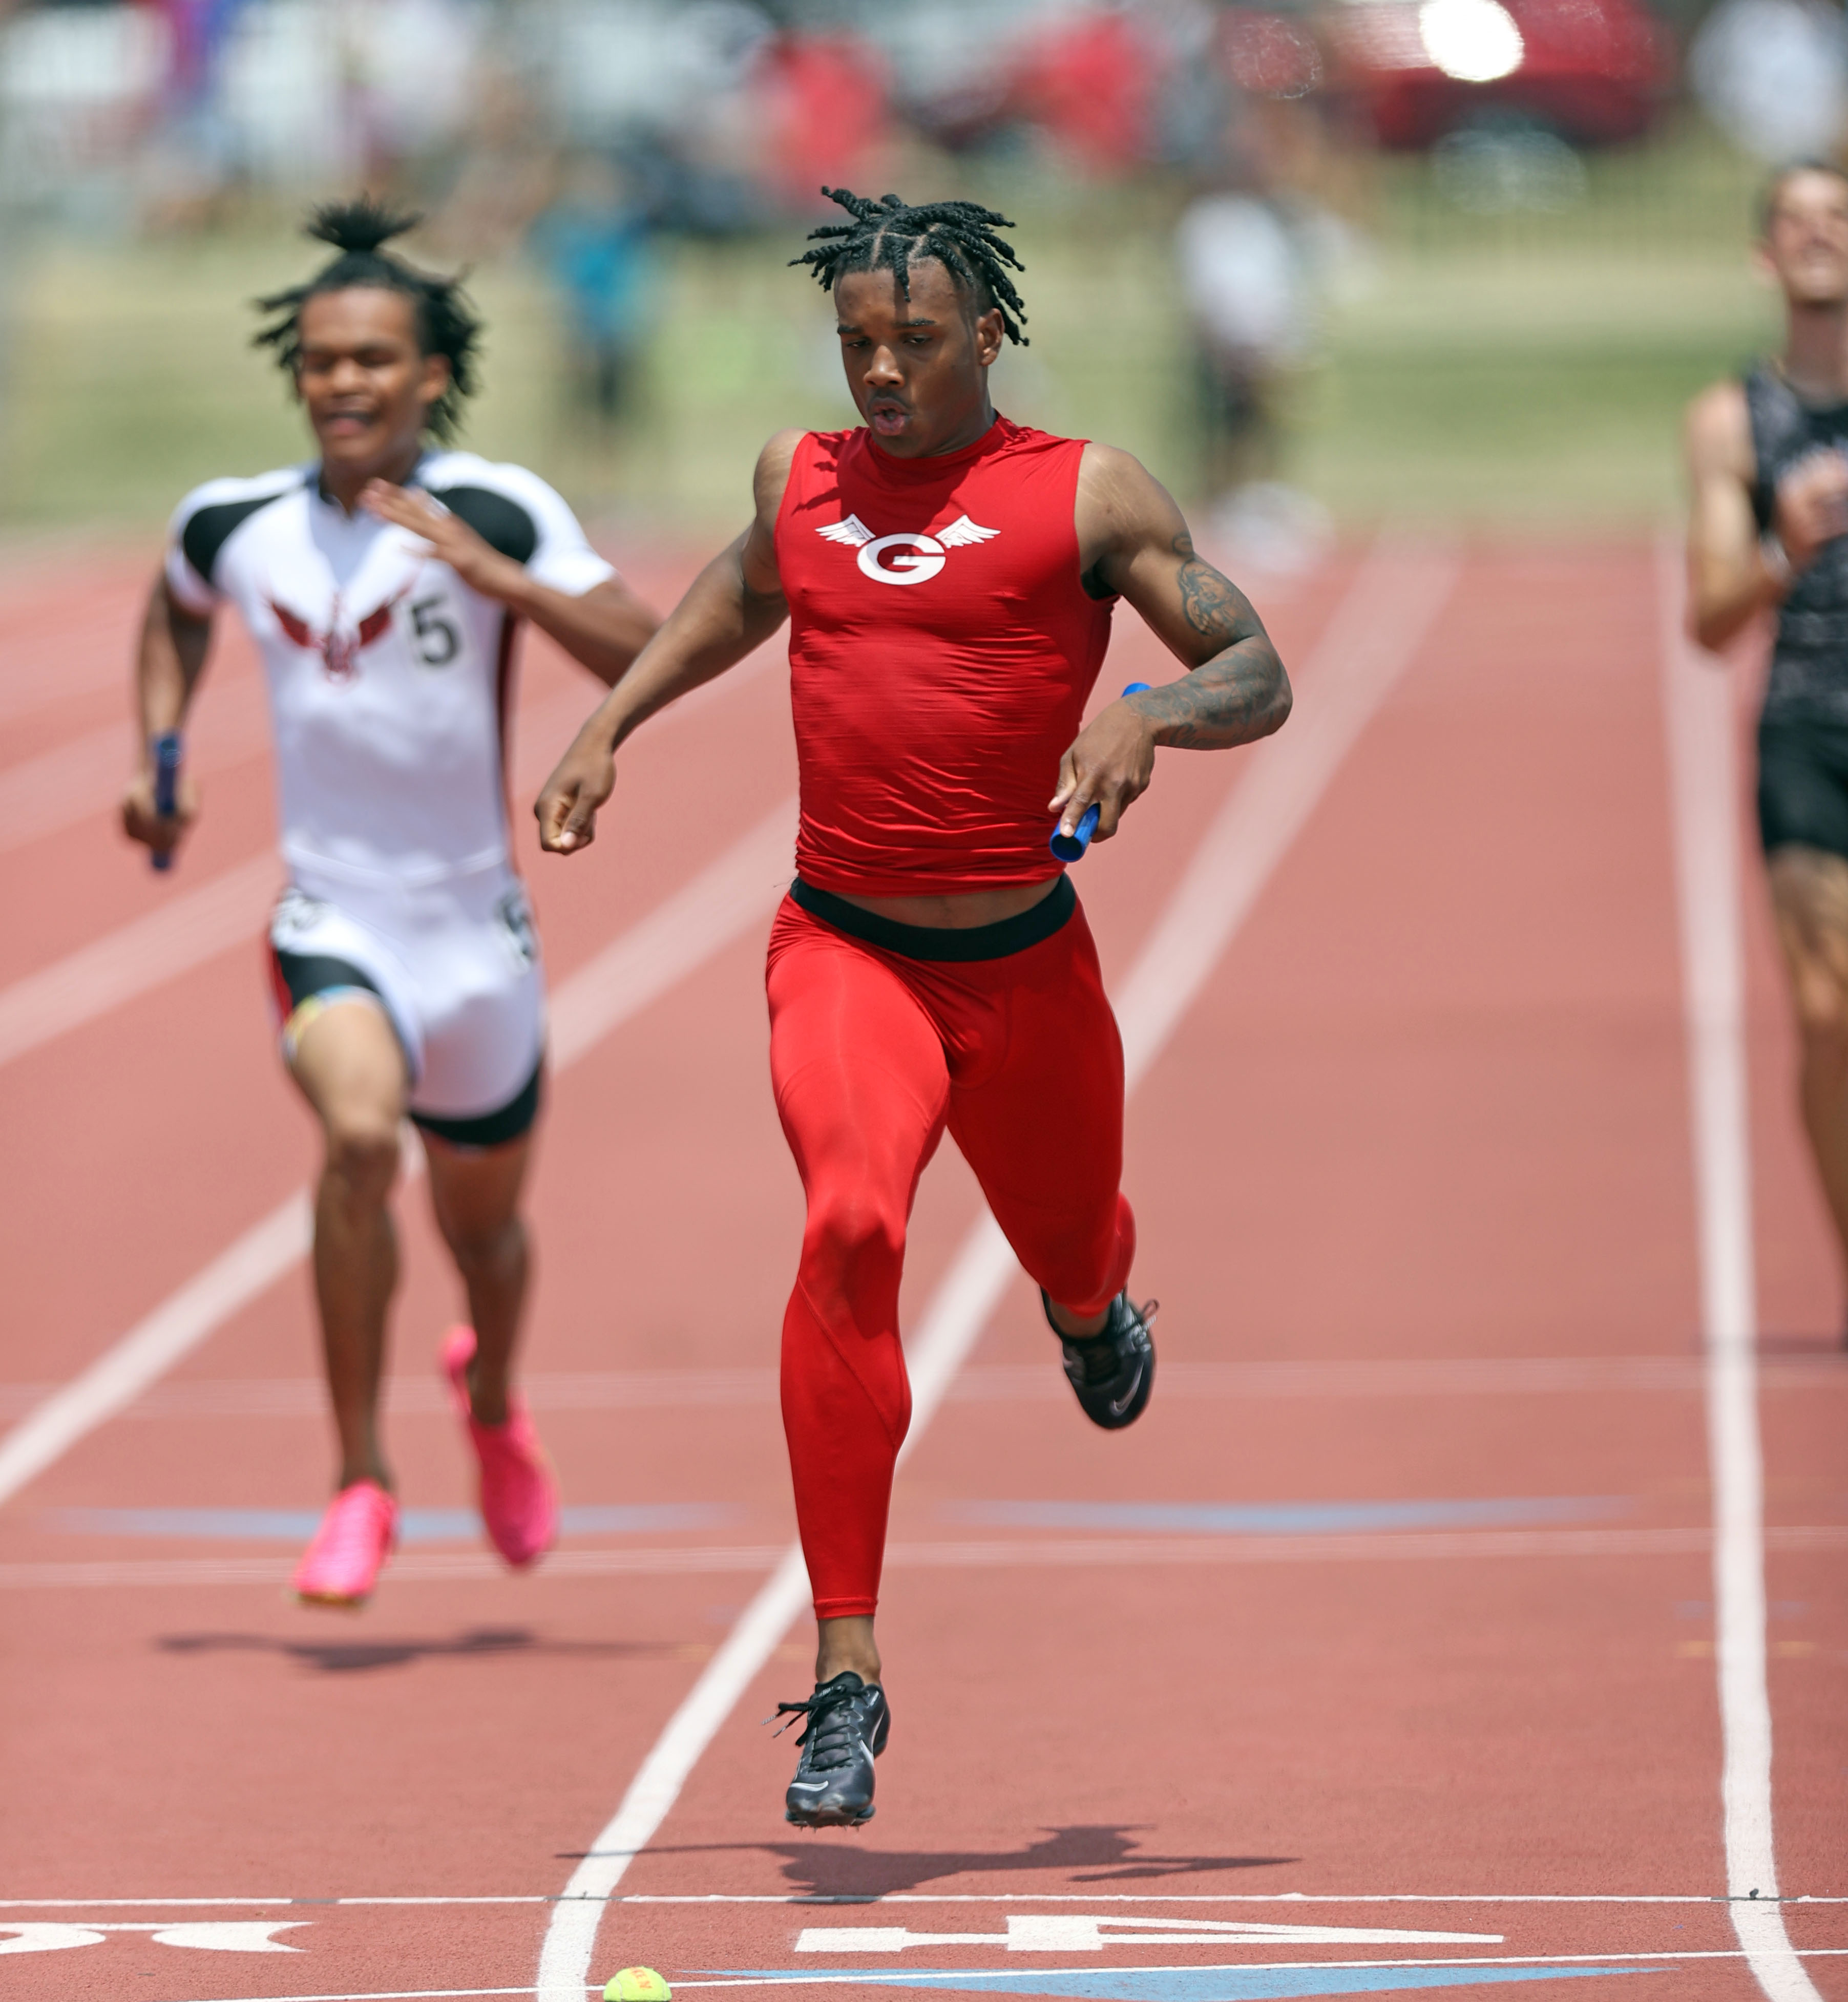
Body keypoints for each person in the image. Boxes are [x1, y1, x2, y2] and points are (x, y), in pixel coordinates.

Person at [536, 189, 1290, 1826]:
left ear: (989, 335)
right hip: (846, 953)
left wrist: (1151, 711)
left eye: (916, 343)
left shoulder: (1083, 491)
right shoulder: (795, 477)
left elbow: (1263, 669)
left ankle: (1093, 1309)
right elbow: (744, 593)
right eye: (859, 343)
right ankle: (849, 1675)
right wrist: (617, 720)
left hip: (1026, 967)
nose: (882, 371)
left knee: (1078, 1235)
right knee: (850, 1227)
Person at [121, 199, 658, 1606]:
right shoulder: (235, 523)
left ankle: (491, 1400)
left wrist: (497, 579)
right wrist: (163, 758)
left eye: (373, 358)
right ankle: (361, 1474)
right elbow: (175, 603)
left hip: (476, 938)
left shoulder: (498, 507)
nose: (344, 382)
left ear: (430, 375)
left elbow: (649, 649)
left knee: (485, 1236)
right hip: (334, 922)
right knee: (360, 1140)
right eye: (321, 359)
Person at [1686, 159, 1848, 1340]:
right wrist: (1785, 544)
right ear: (1764, 256)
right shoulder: (1731, 419)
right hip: (1805, 724)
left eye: (1837, 217)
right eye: (1793, 220)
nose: (1817, 235)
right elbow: (1707, 619)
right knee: (1829, 1011)